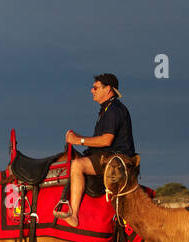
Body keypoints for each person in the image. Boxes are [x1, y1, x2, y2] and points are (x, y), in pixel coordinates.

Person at [56, 73, 135, 226]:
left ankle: (73, 215)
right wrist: (79, 138)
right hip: (107, 155)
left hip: (116, 160)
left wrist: (79, 140)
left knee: (77, 165)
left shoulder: (114, 110)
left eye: (95, 87)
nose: (92, 90)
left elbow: (107, 140)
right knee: (72, 159)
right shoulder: (106, 109)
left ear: (108, 90)